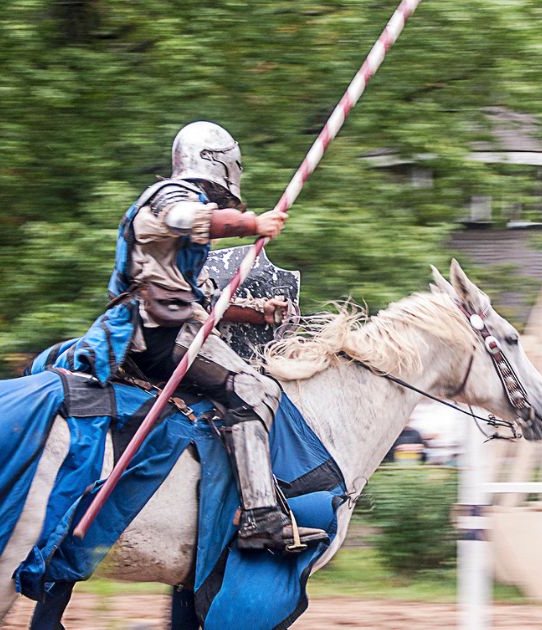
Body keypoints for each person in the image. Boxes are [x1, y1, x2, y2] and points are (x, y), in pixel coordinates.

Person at [33, 121, 326, 552]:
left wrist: (258, 312)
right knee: (254, 390)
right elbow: (183, 219)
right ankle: (260, 517)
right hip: (156, 332)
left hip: (166, 324)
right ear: (218, 162)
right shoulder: (170, 195)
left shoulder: (186, 235)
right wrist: (251, 223)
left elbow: (200, 300)